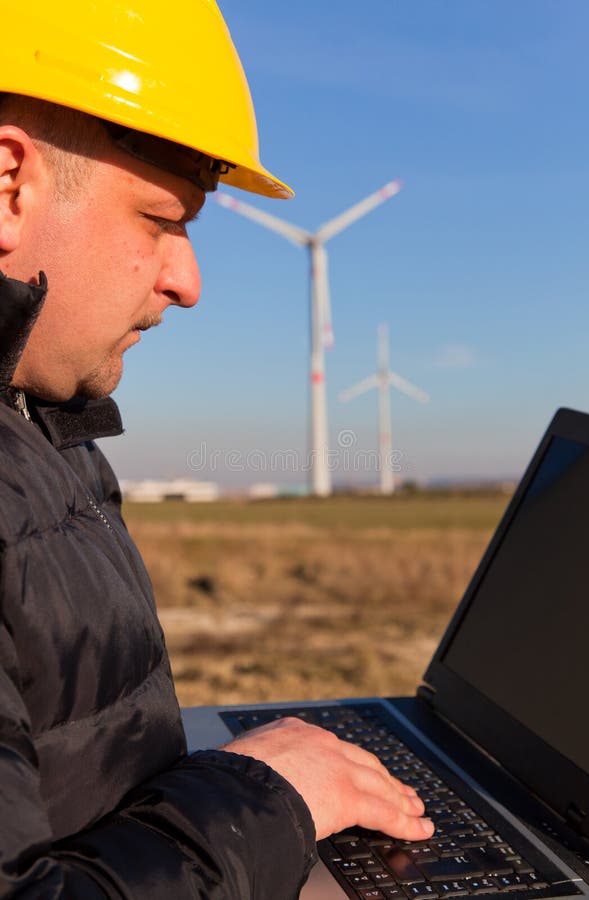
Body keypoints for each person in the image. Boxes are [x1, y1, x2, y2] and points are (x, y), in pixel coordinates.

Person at [0, 1, 434, 897]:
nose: (188, 283)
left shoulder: (42, 421)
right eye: (163, 219)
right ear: (9, 183)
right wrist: (262, 796)